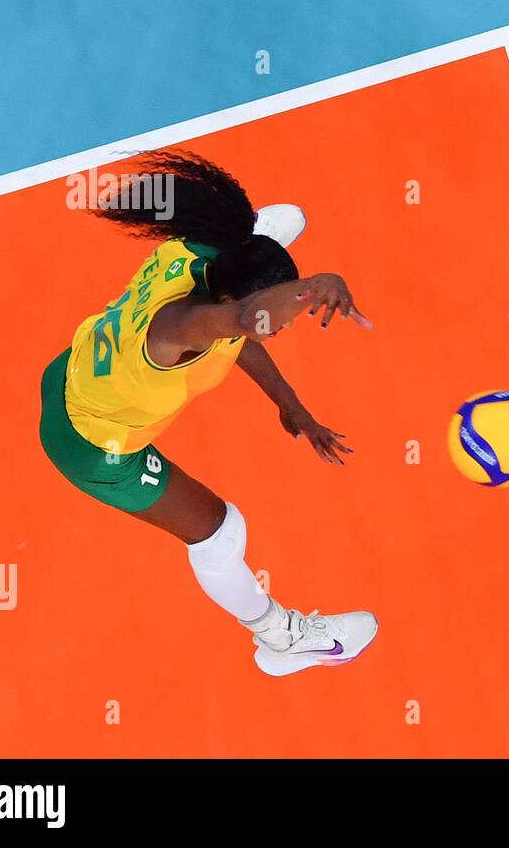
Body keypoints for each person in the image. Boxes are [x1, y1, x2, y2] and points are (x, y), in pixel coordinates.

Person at [39, 150, 377, 676]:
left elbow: (236, 329)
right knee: (221, 533)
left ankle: (254, 241)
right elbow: (247, 320)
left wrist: (290, 404)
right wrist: (322, 281)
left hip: (71, 373)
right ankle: (283, 640)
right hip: (92, 446)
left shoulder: (192, 257)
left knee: (252, 240)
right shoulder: (175, 329)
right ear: (226, 302)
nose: (279, 328)